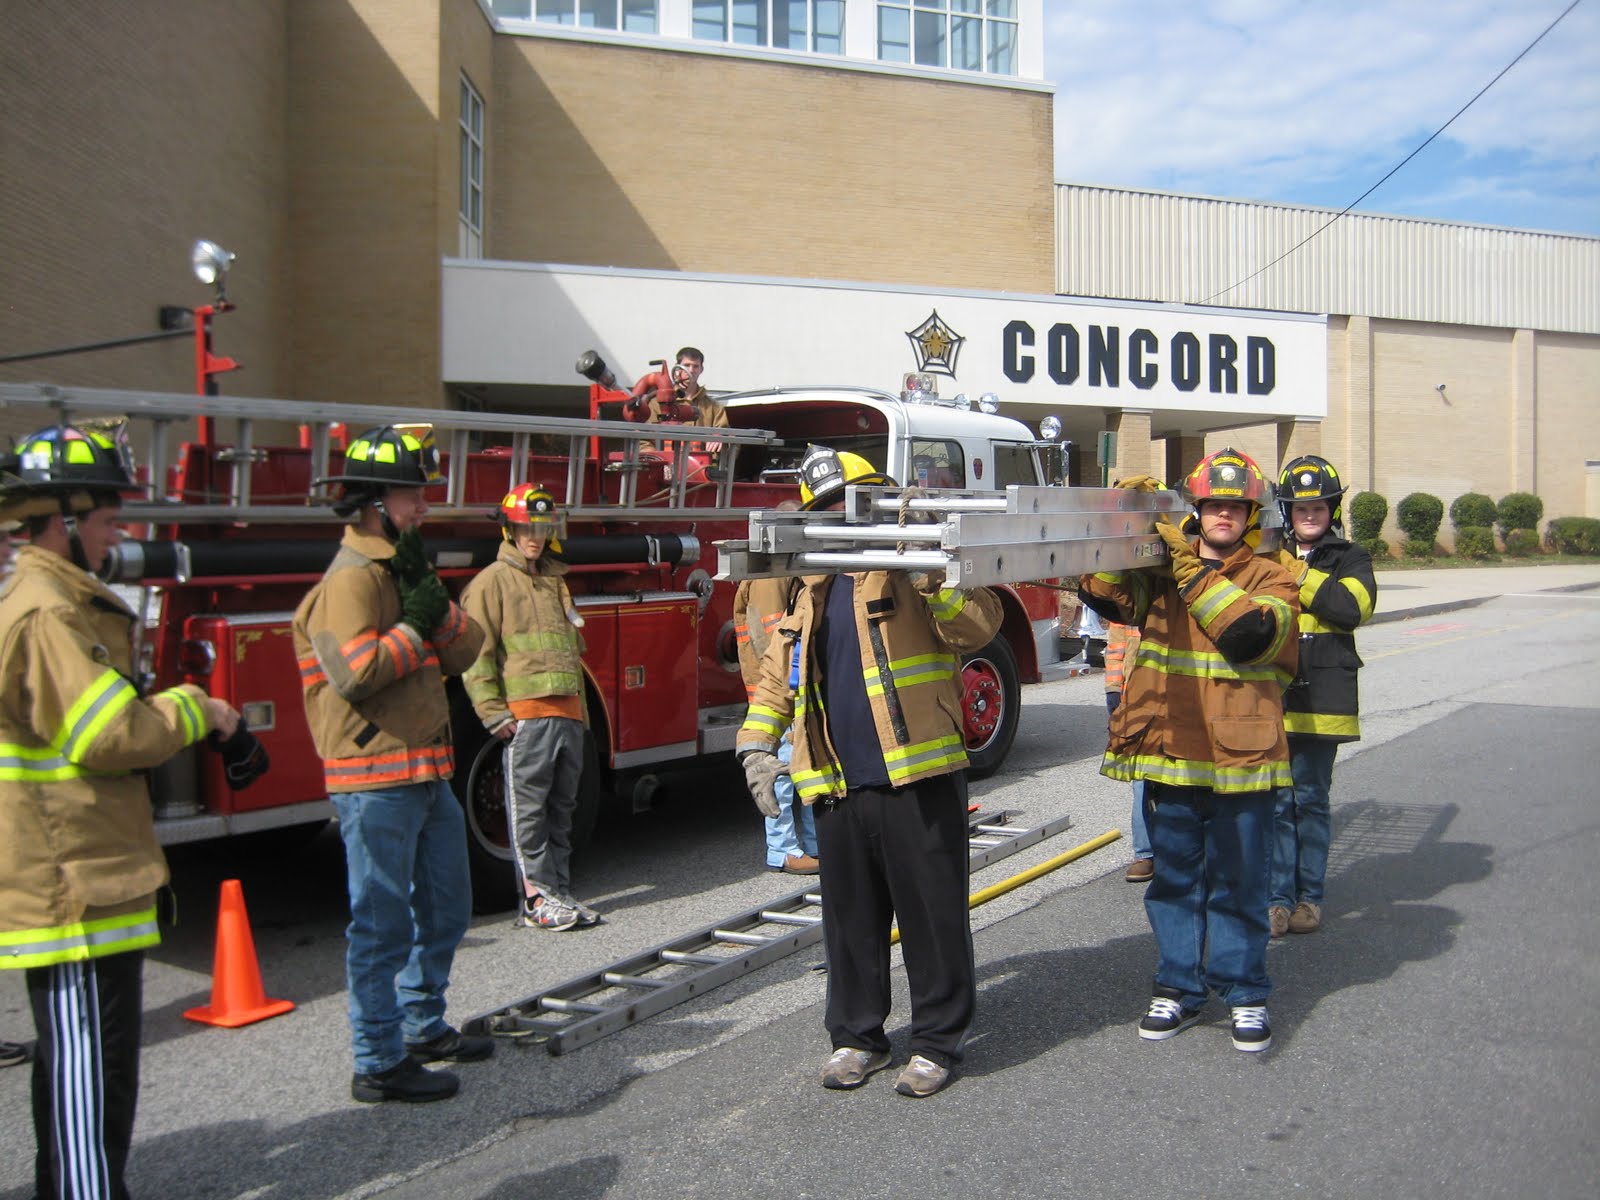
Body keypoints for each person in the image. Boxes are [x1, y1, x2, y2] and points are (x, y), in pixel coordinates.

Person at [0, 424, 242, 1197]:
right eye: (107, 520)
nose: (120, 534)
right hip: (69, 884)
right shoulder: (47, 615)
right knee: (82, 1071)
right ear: (60, 522)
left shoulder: (63, 602)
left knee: (98, 1068)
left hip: (89, 871)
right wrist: (193, 707)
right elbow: (110, 733)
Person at [737, 446, 1002, 1098]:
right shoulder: (809, 588)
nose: (837, 520)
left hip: (916, 777)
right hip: (834, 781)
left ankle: (937, 1041)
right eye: (824, 512)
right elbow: (777, 676)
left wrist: (938, 573)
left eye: (849, 505)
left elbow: (979, 624)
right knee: (851, 925)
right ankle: (858, 1037)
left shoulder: (912, 565)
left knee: (931, 919)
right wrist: (756, 748)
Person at [295, 424, 491, 1104]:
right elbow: (354, 674)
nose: (424, 508)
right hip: (374, 779)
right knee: (382, 925)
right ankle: (378, 1061)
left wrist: (436, 616)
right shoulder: (350, 581)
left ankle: (423, 1026)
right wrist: (416, 627)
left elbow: (467, 653)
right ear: (375, 501)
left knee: (447, 909)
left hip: (424, 772)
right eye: (412, 497)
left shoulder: (403, 568)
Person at [1079, 448, 1299, 1053]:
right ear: (1196, 509)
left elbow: (1250, 634)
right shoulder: (1160, 570)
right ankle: (1177, 987)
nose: (1223, 514)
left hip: (1241, 762)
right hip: (1172, 753)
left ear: (1250, 513)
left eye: (1235, 505)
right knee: (1174, 880)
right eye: (1212, 504)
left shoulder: (1274, 575)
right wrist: (1124, 516)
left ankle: (1246, 993)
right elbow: (1100, 592)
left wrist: (1187, 566)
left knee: (1239, 883)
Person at [460, 483, 600, 930]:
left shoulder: (554, 582)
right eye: (525, 528)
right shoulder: (491, 584)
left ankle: (560, 892)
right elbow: (474, 655)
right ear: (508, 530)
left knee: (562, 810)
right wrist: (493, 713)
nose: (534, 537)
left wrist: (582, 715)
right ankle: (537, 899)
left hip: (567, 715)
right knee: (529, 811)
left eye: (541, 527)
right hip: (527, 716)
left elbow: (571, 654)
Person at [1268, 455, 1377, 937]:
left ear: (1332, 509)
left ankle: (1309, 899)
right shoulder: (1267, 556)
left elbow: (1350, 608)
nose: (1309, 515)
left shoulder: (1351, 557)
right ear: (1286, 511)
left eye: (1319, 507)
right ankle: (1276, 899)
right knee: (1275, 802)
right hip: (1272, 700)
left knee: (1309, 800)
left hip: (1322, 705)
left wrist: (1295, 572)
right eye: (1300, 508)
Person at [733, 570, 819, 875]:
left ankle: (813, 844)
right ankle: (782, 850)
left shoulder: (782, 567)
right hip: (783, 691)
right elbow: (771, 638)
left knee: (807, 765)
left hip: (791, 687)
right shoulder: (772, 576)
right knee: (779, 772)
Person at [1103, 619, 1152, 883]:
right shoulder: (1130, 589)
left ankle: (1174, 851)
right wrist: (1113, 689)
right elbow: (1116, 646)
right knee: (1141, 782)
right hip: (1135, 699)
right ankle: (1145, 854)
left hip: (1175, 696)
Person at [630, 346, 729, 454]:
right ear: (677, 369)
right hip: (665, 468)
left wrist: (722, 439)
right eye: (687, 365)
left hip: (701, 468)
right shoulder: (657, 404)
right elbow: (642, 440)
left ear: (701, 370)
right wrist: (659, 460)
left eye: (695, 366)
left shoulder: (714, 408)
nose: (691, 370)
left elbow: (730, 440)